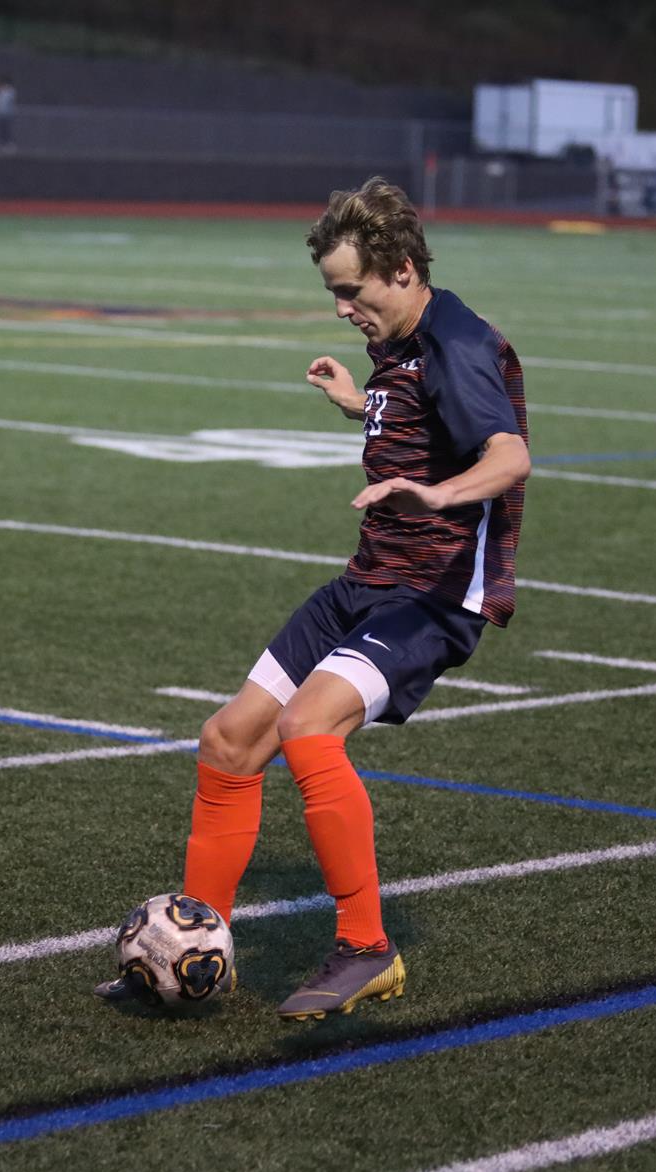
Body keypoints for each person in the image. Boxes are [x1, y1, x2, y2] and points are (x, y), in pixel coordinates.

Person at [97, 177, 531, 1020]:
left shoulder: (456, 342)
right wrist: (357, 403)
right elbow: (416, 419)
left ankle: (368, 947)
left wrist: (438, 497)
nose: (341, 308)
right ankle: (186, 944)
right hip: (366, 581)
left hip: (434, 595)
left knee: (307, 726)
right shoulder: (401, 343)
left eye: (349, 290)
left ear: (401, 270)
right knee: (228, 741)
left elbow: (507, 455)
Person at [0, 76, 16, 153]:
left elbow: (10, 101)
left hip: (7, 115)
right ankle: (2, 145)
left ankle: (9, 146)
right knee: (1, 131)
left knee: (7, 130)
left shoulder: (11, 91)